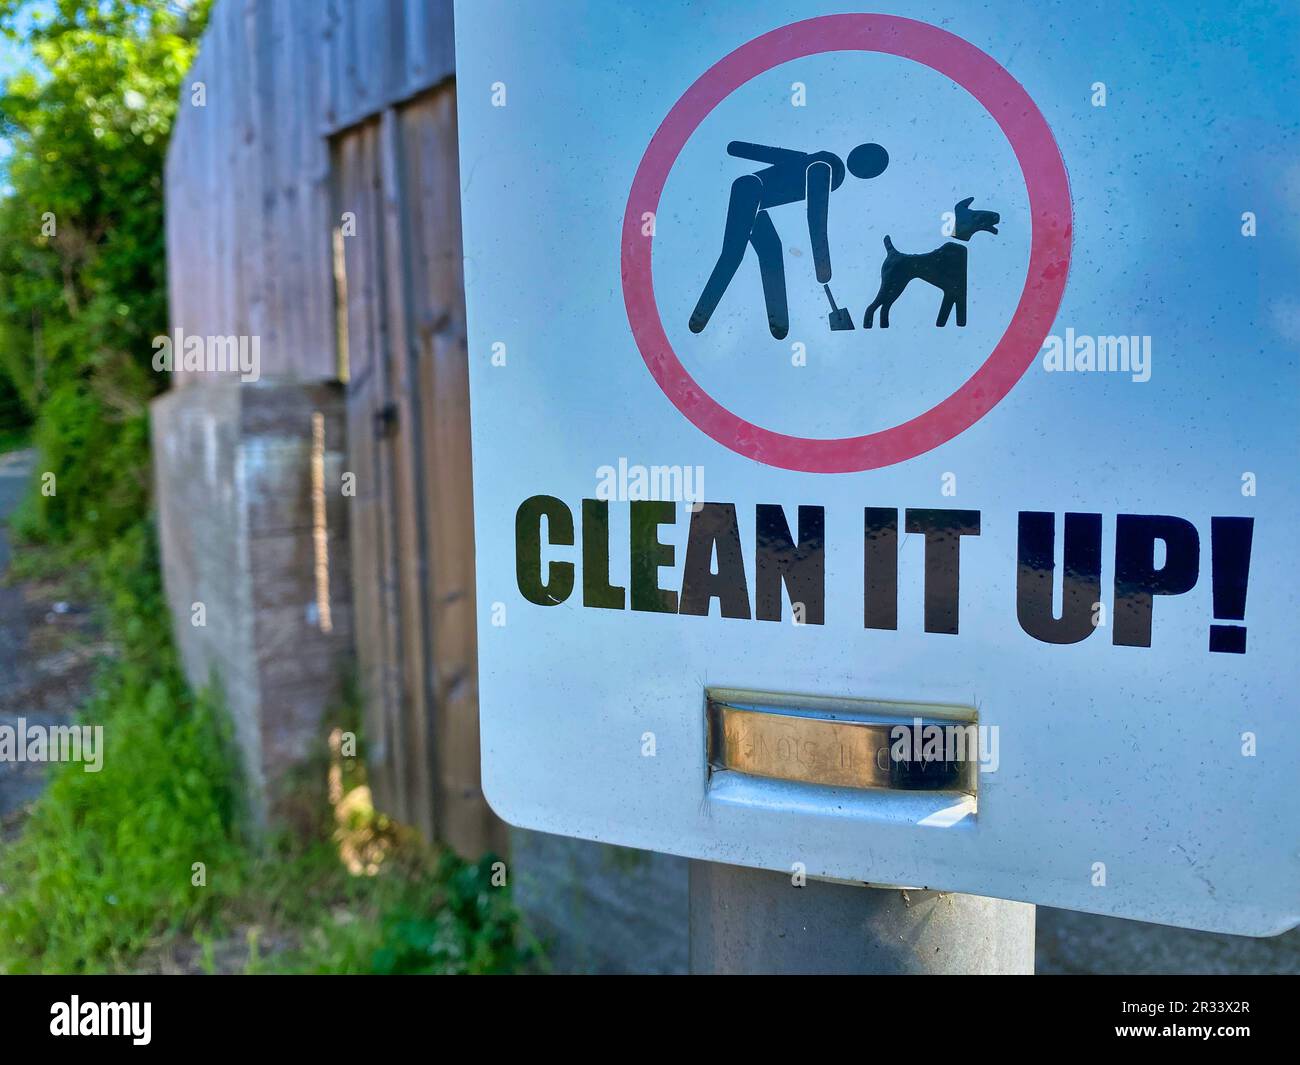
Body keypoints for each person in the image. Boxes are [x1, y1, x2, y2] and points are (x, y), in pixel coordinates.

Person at [689, 141, 888, 339]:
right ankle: (701, 314)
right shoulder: (821, 170)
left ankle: (778, 320)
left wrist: (736, 148)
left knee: (772, 251)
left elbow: (769, 154)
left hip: (756, 203)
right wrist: (822, 268)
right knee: (732, 255)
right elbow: (816, 218)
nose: (828, 189)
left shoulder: (807, 159)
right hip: (748, 191)